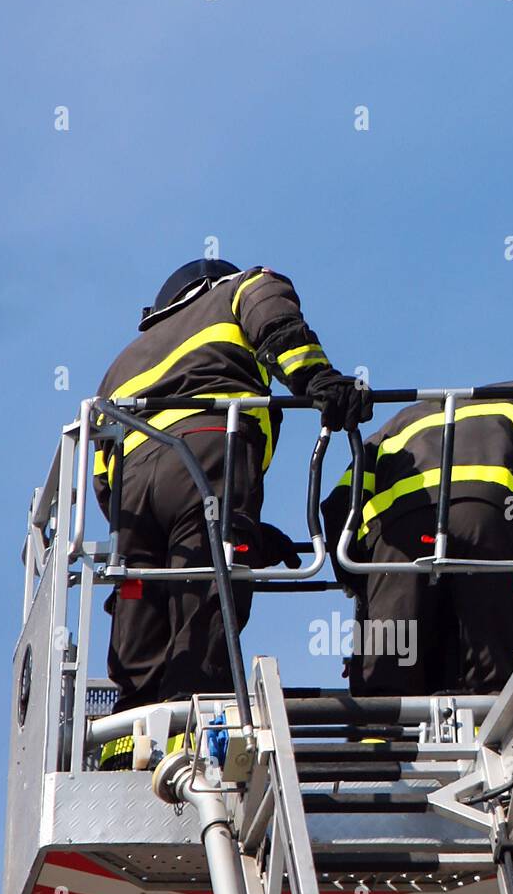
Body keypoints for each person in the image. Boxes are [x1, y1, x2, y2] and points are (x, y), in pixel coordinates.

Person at [93, 257, 372, 727]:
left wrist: (248, 535)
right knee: (209, 587)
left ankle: (134, 727)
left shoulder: (123, 360)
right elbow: (277, 325)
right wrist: (318, 380)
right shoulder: (242, 287)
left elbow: (99, 468)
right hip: (211, 446)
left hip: (130, 493)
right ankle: (196, 713)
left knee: (140, 595)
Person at [321, 382, 513, 695]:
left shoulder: (391, 428)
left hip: (400, 537)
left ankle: (379, 733)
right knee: (495, 678)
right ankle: (488, 718)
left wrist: (359, 580)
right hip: (494, 518)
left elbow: (338, 505)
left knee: (387, 677)